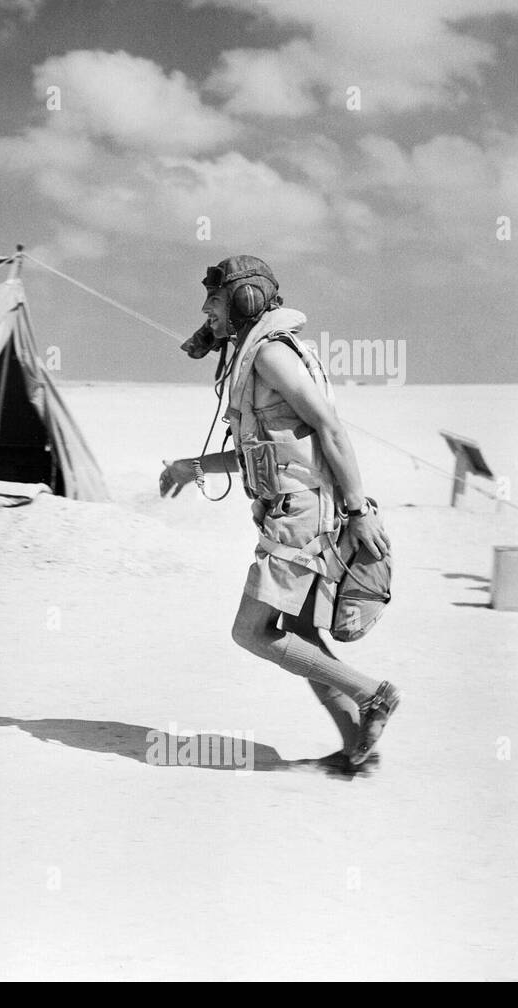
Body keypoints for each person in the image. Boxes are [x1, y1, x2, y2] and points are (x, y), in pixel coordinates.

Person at [159, 256, 400, 771]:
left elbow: (330, 428)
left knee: (251, 632)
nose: (205, 309)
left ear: (244, 302)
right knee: (299, 630)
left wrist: (359, 510)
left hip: (303, 516)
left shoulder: (269, 355)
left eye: (215, 300)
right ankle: (358, 746)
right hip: (289, 510)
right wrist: (191, 465)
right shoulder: (254, 356)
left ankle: (372, 694)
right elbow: (261, 453)